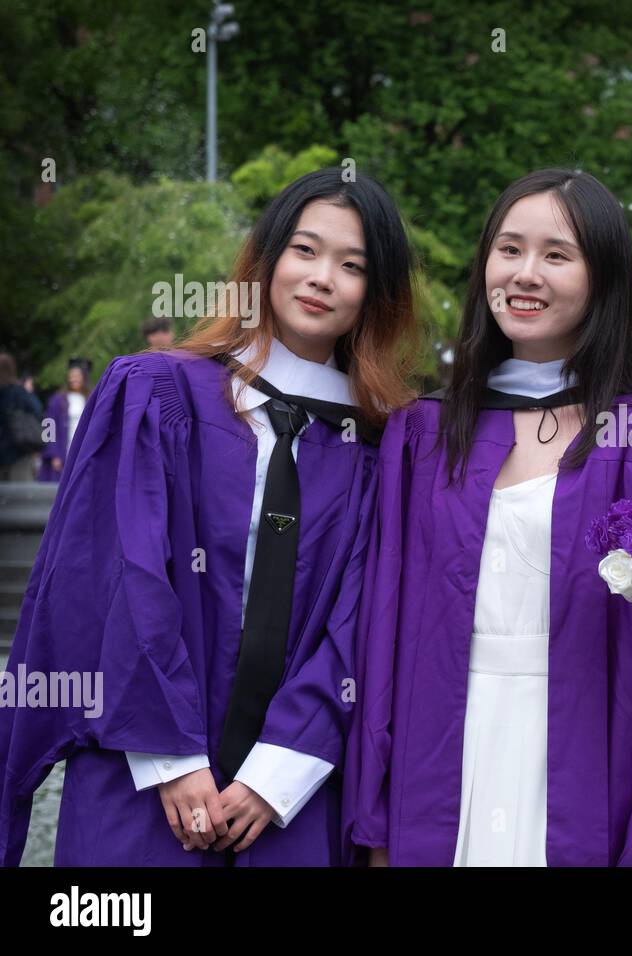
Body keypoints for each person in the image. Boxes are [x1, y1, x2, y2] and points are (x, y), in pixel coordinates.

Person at [0, 168, 419, 866]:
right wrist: (169, 753)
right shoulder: (157, 395)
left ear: (377, 295)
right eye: (305, 250)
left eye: (353, 266)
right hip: (137, 778)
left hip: (291, 800)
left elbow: (363, 620)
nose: (322, 277)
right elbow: (116, 576)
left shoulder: (378, 448)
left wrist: (279, 769)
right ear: (266, 260)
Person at [342, 169, 632, 867]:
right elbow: (381, 633)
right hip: (441, 742)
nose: (525, 273)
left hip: (586, 747)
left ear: (602, 279)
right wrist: (376, 815)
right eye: (509, 249)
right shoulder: (421, 434)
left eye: (556, 255)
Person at [37, 359, 92, 484]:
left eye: (77, 376)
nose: (73, 379)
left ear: (84, 377)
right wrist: (53, 454)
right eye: (71, 376)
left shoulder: (91, 399)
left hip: (83, 452)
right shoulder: (57, 400)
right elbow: (48, 428)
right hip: (62, 453)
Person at [0, 354, 44, 482]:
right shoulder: (20, 393)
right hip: (20, 454)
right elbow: (38, 412)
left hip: (11, 452)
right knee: (22, 498)